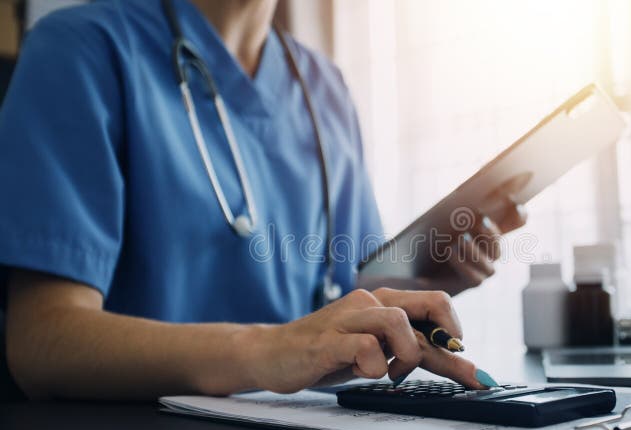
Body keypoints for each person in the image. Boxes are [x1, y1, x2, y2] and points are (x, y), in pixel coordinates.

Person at [0, 0, 526, 400]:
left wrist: (422, 290)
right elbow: (42, 340)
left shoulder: (326, 88)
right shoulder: (81, 51)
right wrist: (270, 350)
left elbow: (341, 298)